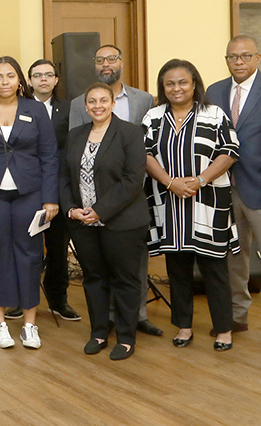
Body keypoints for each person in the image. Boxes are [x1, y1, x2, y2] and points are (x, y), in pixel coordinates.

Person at [0, 57, 59, 350]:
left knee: (30, 255)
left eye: (10, 76)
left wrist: (50, 198)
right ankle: (0, 324)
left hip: (29, 193)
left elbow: (49, 155)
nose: (5, 82)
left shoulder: (35, 109)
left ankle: (30, 325)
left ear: (20, 81)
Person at [143, 59, 239, 352]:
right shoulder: (153, 116)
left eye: (183, 82)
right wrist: (170, 182)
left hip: (208, 202)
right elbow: (143, 154)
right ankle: (184, 326)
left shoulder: (214, 114)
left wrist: (199, 180)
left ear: (194, 84)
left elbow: (230, 151)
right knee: (177, 269)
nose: (177, 88)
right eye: (170, 83)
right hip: (168, 203)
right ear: (163, 87)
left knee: (215, 270)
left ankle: (223, 329)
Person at [206, 36, 261, 349]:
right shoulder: (214, 91)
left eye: (245, 56)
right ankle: (237, 315)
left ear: (257, 57)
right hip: (222, 189)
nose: (239, 62)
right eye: (232, 57)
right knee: (233, 256)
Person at [68, 44, 161, 337]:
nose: (106, 63)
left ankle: (134, 321)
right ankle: (103, 324)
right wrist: (77, 208)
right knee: (97, 273)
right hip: (87, 208)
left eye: (111, 58)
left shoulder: (143, 100)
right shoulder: (76, 114)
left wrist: (103, 208)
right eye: (100, 59)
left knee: (130, 272)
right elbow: (70, 164)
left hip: (126, 203)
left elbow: (139, 166)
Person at [60, 83, 149, 360]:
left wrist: (99, 210)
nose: (97, 105)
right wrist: (71, 210)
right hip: (82, 223)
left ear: (112, 104)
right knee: (94, 278)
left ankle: (125, 337)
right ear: (85, 106)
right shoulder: (75, 135)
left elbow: (133, 179)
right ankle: (98, 332)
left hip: (121, 221)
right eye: (92, 101)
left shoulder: (130, 133)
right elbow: (63, 177)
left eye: (103, 100)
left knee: (125, 280)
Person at [21, 59, 79, 322]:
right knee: (25, 248)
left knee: (57, 249)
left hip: (58, 190)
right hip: (25, 189)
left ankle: (59, 301)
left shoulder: (70, 109)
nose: (43, 79)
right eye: (37, 75)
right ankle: (22, 301)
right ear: (30, 80)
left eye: (49, 75)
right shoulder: (18, 107)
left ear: (56, 80)